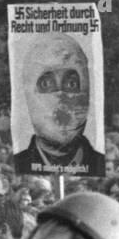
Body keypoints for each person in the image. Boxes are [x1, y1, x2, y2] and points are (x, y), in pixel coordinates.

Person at [14, 33, 103, 176]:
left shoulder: (100, 164)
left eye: (72, 84)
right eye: (46, 84)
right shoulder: (16, 166)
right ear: (27, 96)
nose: (61, 98)